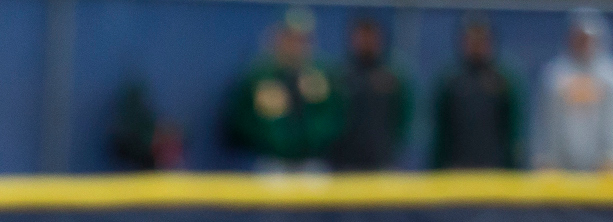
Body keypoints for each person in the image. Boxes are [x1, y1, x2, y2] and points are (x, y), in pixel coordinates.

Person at [223, 8, 343, 169]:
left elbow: (336, 118)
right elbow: (241, 120)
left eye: (301, 39)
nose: (295, 45)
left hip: (313, 160)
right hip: (271, 160)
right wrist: (269, 136)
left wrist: (314, 131)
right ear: (277, 38)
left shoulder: (323, 75)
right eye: (289, 37)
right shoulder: (260, 75)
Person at [532, 10, 613, 173]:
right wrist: (545, 157)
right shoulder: (555, 75)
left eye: (588, 39)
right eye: (579, 38)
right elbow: (544, 119)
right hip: (560, 169)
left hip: (603, 170)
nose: (584, 44)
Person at [432, 14, 523, 169]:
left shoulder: (505, 81)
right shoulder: (449, 80)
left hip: (495, 171)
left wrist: (513, 168)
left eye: (481, 39)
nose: (476, 46)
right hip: (456, 170)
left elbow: (514, 131)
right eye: (471, 39)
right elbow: (439, 133)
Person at [331, 15, 413, 171]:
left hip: (381, 163)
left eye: (371, 36)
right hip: (345, 164)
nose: (366, 41)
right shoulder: (340, 76)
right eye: (362, 36)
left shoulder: (393, 78)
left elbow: (403, 120)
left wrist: (389, 149)